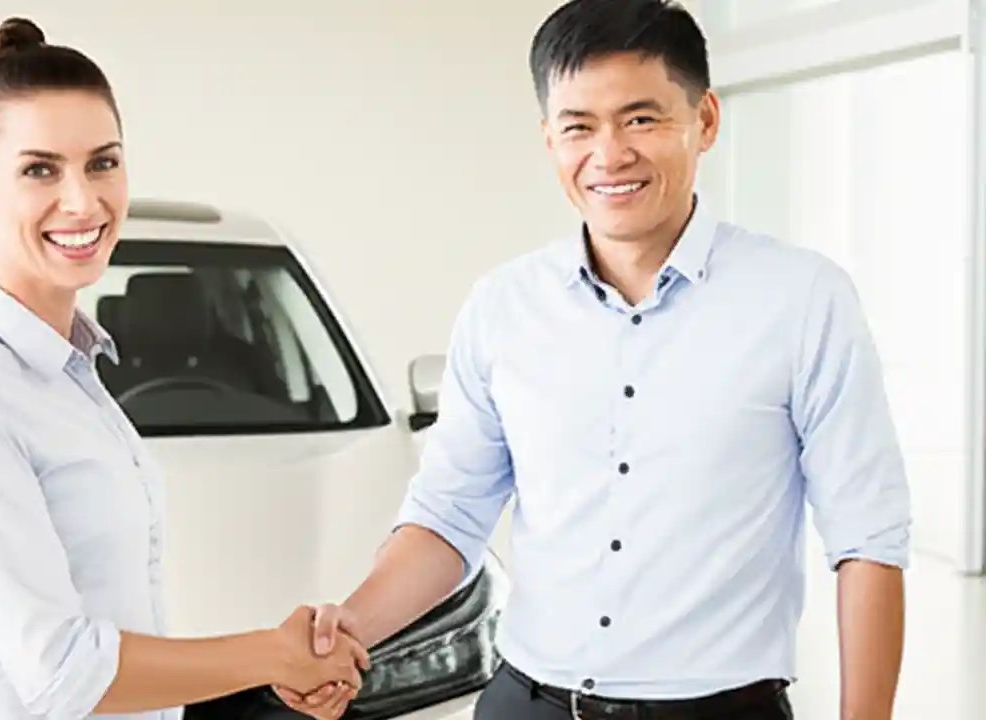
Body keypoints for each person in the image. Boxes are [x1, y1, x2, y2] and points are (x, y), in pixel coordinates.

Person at [277, 1, 911, 719]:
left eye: (641, 119)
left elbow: (867, 541)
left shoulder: (802, 300)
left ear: (704, 120)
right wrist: (352, 632)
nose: (609, 155)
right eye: (579, 126)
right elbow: (451, 514)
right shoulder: (502, 307)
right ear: (549, 139)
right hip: (527, 702)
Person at [0, 17, 368, 720]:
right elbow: (64, 675)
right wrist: (274, 656)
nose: (83, 200)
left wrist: (288, 665)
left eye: (102, 162)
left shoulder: (75, 375)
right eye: (40, 169)